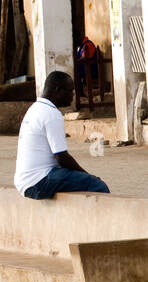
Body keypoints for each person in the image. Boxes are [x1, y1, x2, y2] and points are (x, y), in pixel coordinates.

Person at [14, 70, 110, 199]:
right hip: (39, 181)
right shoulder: (52, 114)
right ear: (58, 91)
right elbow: (61, 157)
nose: (73, 96)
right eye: (70, 91)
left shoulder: (35, 108)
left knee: (78, 180)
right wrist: (87, 175)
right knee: (98, 186)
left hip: (24, 181)